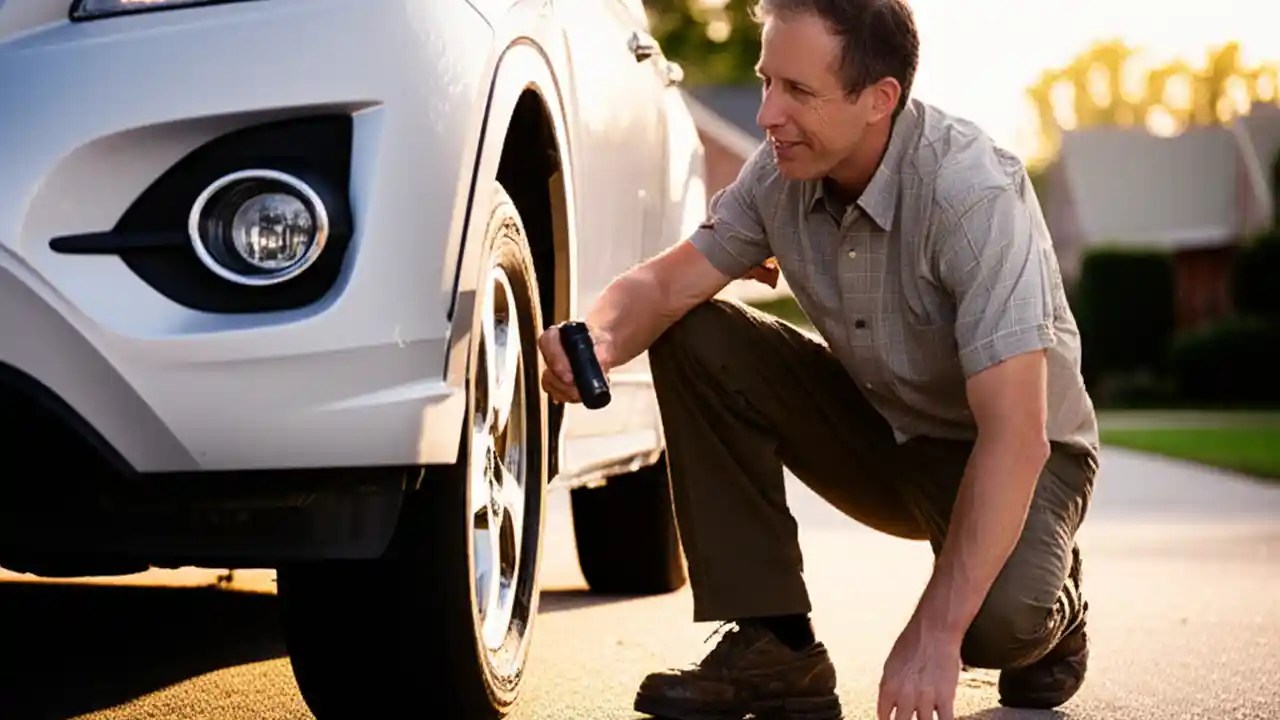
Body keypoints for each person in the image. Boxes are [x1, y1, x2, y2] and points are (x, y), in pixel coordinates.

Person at [537, 0, 1099, 718]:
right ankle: (774, 644)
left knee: (993, 631)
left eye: (797, 91)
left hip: (1020, 453)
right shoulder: (781, 176)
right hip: (886, 429)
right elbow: (661, 285)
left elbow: (1017, 435)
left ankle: (1059, 607)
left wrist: (934, 633)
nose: (768, 113)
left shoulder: (972, 197)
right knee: (693, 330)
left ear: (879, 99)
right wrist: (601, 337)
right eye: (766, 81)